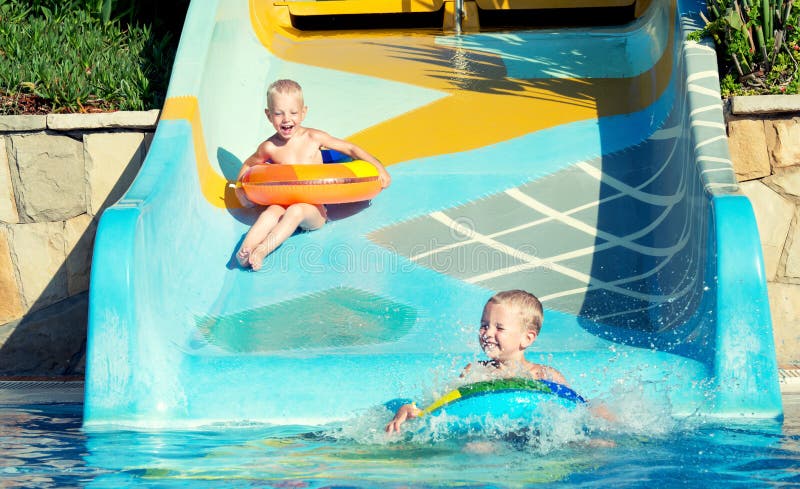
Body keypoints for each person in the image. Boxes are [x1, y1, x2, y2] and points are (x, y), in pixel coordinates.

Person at [385, 289, 606, 433]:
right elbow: (443, 405)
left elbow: (578, 409)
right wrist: (410, 409)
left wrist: (602, 417)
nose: (487, 333)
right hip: (490, 436)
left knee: (598, 444)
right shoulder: (476, 371)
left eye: (499, 328)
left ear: (527, 338)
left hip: (537, 435)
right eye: (484, 325)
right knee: (479, 448)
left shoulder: (545, 375)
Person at [235, 79, 391, 270]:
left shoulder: (313, 138)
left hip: (314, 210)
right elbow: (249, 165)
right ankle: (245, 250)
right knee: (270, 212)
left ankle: (261, 251)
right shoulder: (269, 147)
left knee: (296, 211)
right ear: (268, 115)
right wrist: (240, 190)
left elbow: (350, 149)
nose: (286, 119)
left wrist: (379, 169)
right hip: (282, 202)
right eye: (278, 113)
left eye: (293, 112)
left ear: (303, 112)